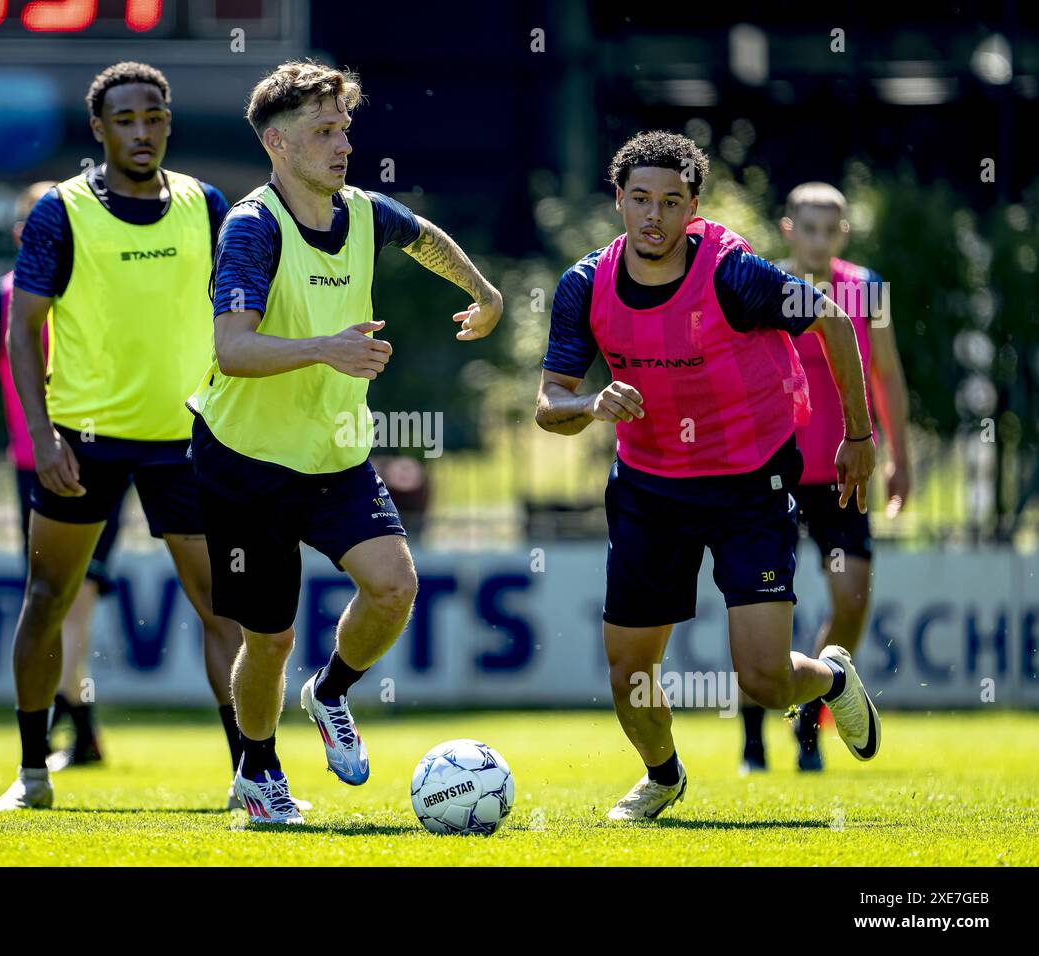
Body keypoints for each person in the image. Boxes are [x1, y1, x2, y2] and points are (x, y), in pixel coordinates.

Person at [188, 60, 503, 824]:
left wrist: (484, 292)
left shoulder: (362, 211)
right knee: (268, 638)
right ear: (277, 143)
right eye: (322, 131)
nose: (342, 145)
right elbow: (233, 349)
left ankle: (328, 693)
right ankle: (258, 776)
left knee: (394, 586)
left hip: (334, 452)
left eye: (345, 129)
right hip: (245, 461)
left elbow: (424, 238)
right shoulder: (251, 227)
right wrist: (327, 347)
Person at [534, 131, 882, 821]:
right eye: (639, 200)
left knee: (764, 677)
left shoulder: (735, 275)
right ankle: (663, 777)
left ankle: (834, 677)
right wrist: (590, 404)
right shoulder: (584, 285)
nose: (653, 216)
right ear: (618, 203)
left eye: (670, 202)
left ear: (693, 206)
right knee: (630, 674)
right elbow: (550, 404)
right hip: (647, 485)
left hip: (749, 483)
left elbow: (836, 324)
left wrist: (858, 435)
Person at [0, 61, 264, 812]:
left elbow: (241, 310)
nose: (142, 131)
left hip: (186, 442)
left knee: (221, 609)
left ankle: (251, 777)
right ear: (99, 129)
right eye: (125, 119)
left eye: (154, 116)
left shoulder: (206, 205)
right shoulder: (63, 213)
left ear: (168, 121)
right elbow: (22, 329)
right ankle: (33, 771)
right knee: (47, 596)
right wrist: (43, 437)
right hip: (85, 442)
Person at [0, 180, 118, 769]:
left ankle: (69, 728)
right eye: (41, 222)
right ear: (21, 235)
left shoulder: (106, 290)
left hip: (100, 460)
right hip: (34, 469)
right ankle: (80, 729)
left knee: (72, 599)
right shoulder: (9, 296)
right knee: (52, 600)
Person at [738, 182, 912, 773]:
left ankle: (812, 713)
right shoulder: (760, 285)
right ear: (789, 230)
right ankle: (753, 740)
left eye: (829, 228)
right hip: (774, 470)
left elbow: (886, 374)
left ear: (843, 232)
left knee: (851, 599)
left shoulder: (869, 290)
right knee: (759, 610)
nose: (818, 237)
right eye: (807, 227)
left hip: (846, 467)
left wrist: (900, 457)